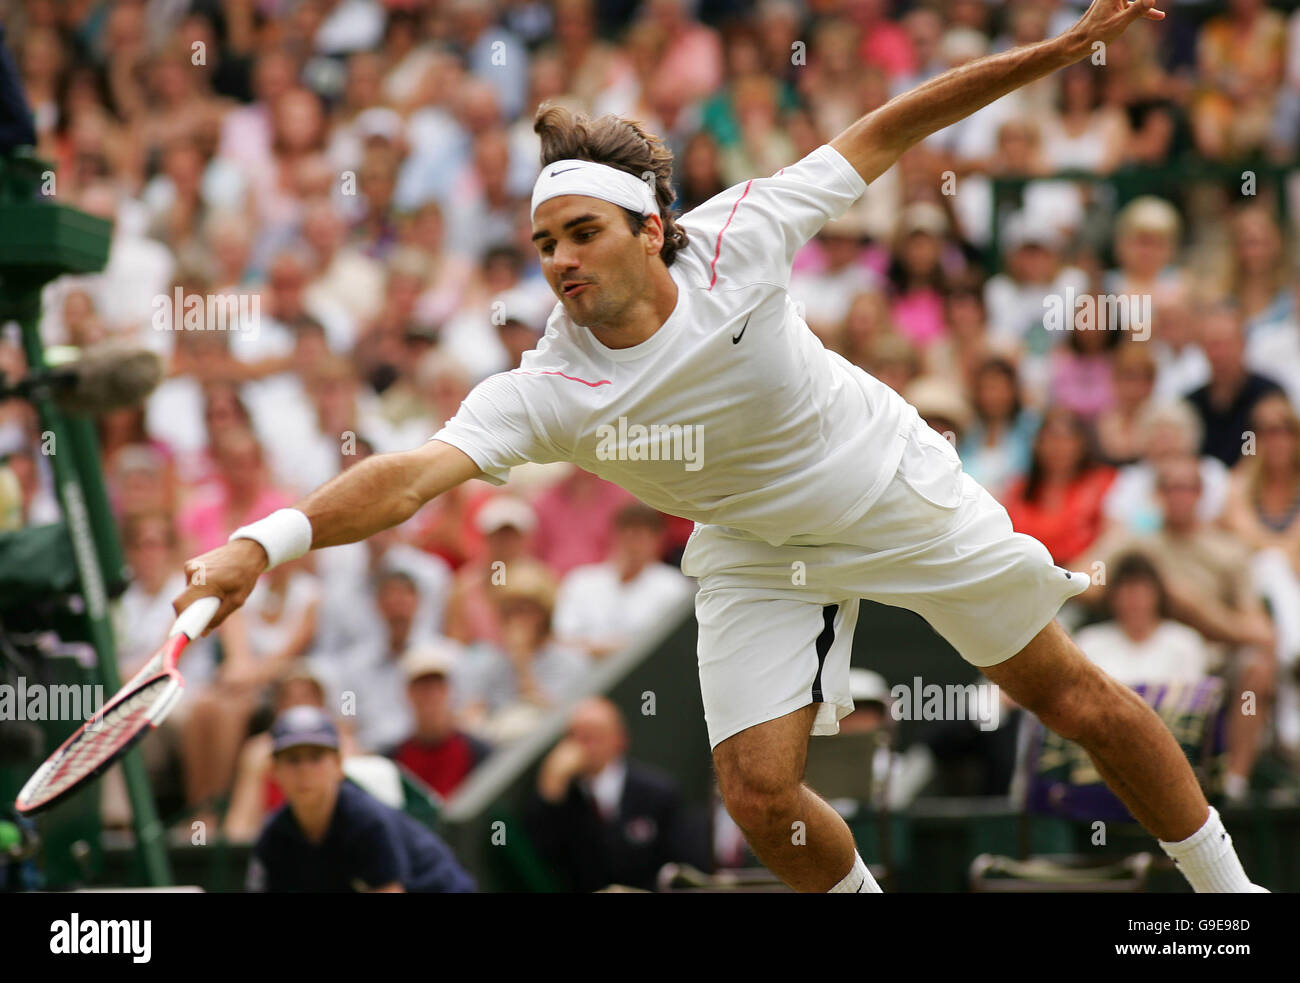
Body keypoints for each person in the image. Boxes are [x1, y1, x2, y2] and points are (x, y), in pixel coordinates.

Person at [177, 0, 1267, 894]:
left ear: (650, 227)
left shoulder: (740, 232)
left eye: (582, 234)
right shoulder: (547, 385)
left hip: (882, 481)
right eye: (543, 243)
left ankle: (1228, 896)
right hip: (753, 544)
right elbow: (410, 474)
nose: (558, 260)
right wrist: (262, 543)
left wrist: (1058, 49)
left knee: (1066, 695)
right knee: (755, 790)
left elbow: (890, 127)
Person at [246, 706, 475, 893]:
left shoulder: (365, 820)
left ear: (338, 765)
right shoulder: (274, 834)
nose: (305, 771)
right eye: (293, 760)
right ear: (274, 770)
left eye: (316, 758)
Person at [526, 697, 705, 892]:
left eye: (592, 737)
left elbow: (685, 868)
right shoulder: (562, 797)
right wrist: (551, 787)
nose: (582, 747)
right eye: (575, 737)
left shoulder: (658, 793)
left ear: (619, 739)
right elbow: (544, 858)